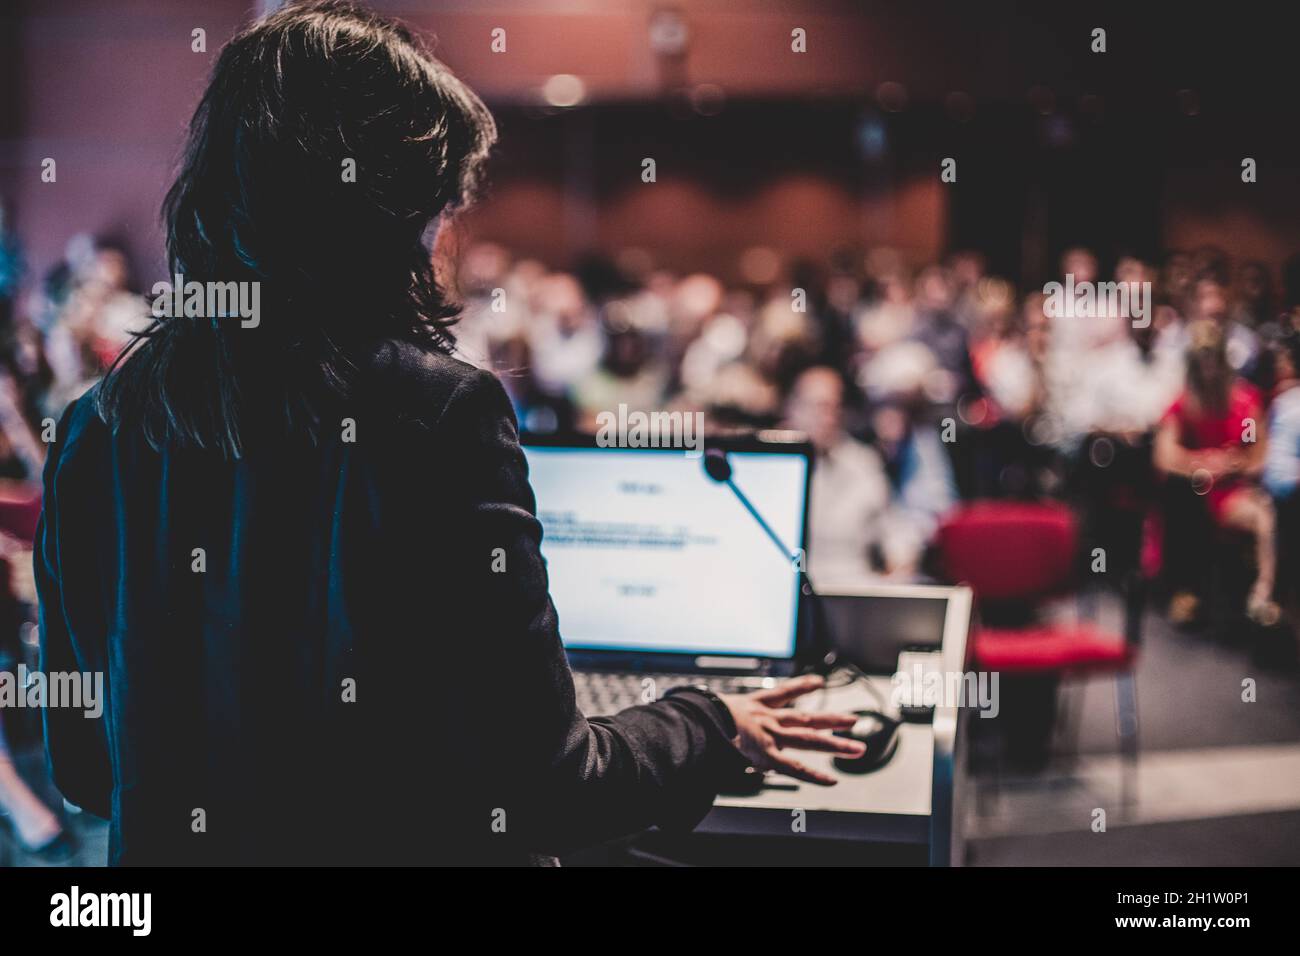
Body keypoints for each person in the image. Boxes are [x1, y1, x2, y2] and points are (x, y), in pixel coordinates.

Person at [35, 1, 863, 867]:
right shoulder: (438, 416)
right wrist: (710, 718)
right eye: (437, 206)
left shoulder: (99, 426)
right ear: (379, 216)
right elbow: (550, 788)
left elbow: (90, 770)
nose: (442, 237)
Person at [1154, 321, 1278, 625]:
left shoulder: (1244, 401)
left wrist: (1233, 463)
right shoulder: (1183, 403)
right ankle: (1186, 592)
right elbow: (1165, 457)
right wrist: (1204, 462)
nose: (1208, 370)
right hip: (1194, 492)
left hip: (1232, 490)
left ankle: (1265, 596)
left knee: (1266, 515)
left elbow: (1259, 454)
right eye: (1201, 362)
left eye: (1213, 361)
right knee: (1180, 492)